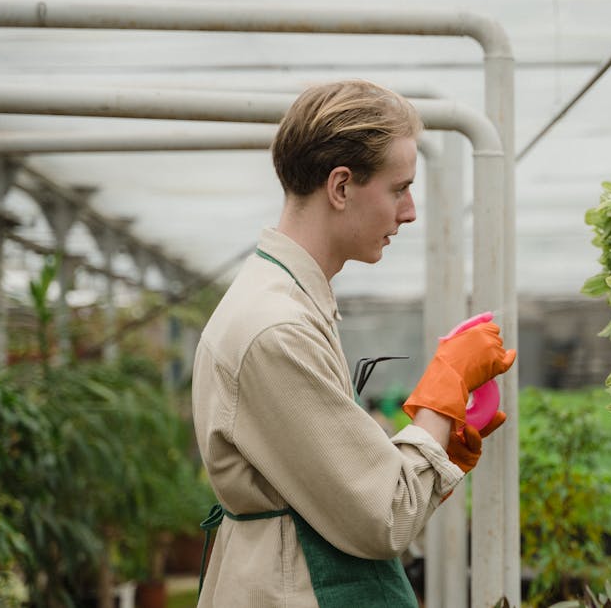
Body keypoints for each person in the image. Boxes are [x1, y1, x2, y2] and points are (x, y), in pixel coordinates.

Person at [191, 79, 516, 608]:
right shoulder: (277, 330)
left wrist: (441, 442)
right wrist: (444, 392)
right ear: (340, 187)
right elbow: (384, 516)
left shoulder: (285, 302)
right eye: (398, 188)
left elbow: (332, 480)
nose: (409, 212)